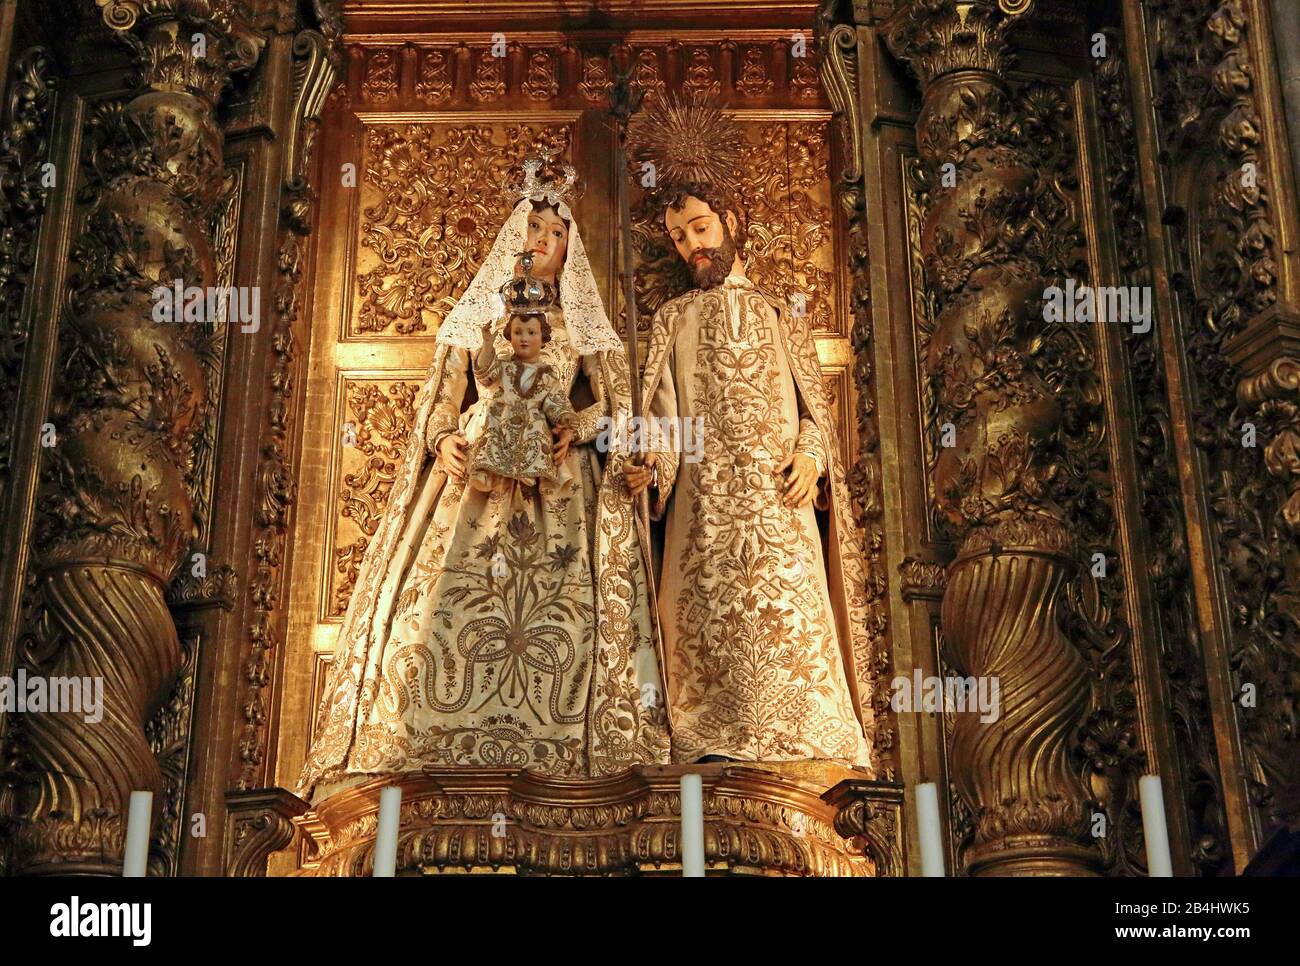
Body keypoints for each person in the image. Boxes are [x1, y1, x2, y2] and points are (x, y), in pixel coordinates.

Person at [298, 156, 668, 799]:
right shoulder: (476, 316)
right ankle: (430, 748)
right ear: (513, 235)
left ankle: (568, 762)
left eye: (556, 234)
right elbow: (441, 396)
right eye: (534, 229)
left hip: (560, 482)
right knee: (447, 612)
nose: (542, 244)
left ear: (569, 248)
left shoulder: (583, 321)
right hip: (478, 475)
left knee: (561, 619)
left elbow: (614, 405)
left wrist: (579, 433)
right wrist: (442, 440)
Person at [626, 94, 875, 768]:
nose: (692, 247)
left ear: (732, 221)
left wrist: (811, 456)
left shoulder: (776, 311)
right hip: (701, 513)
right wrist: (653, 472)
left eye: (701, 228)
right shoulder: (673, 319)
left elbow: (812, 407)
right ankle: (707, 748)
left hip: (778, 506)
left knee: (787, 626)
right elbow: (666, 416)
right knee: (703, 631)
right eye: (680, 237)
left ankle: (805, 748)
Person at [462, 300, 576, 492]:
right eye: (518, 332)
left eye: (531, 333)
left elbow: (556, 401)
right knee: (491, 432)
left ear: (543, 338)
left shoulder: (546, 375)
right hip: (502, 415)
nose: (524, 338)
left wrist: (565, 419)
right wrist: (488, 346)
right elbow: (485, 374)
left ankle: (529, 471)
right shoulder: (504, 365)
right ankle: (483, 471)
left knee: (538, 433)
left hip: (532, 418)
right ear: (509, 336)